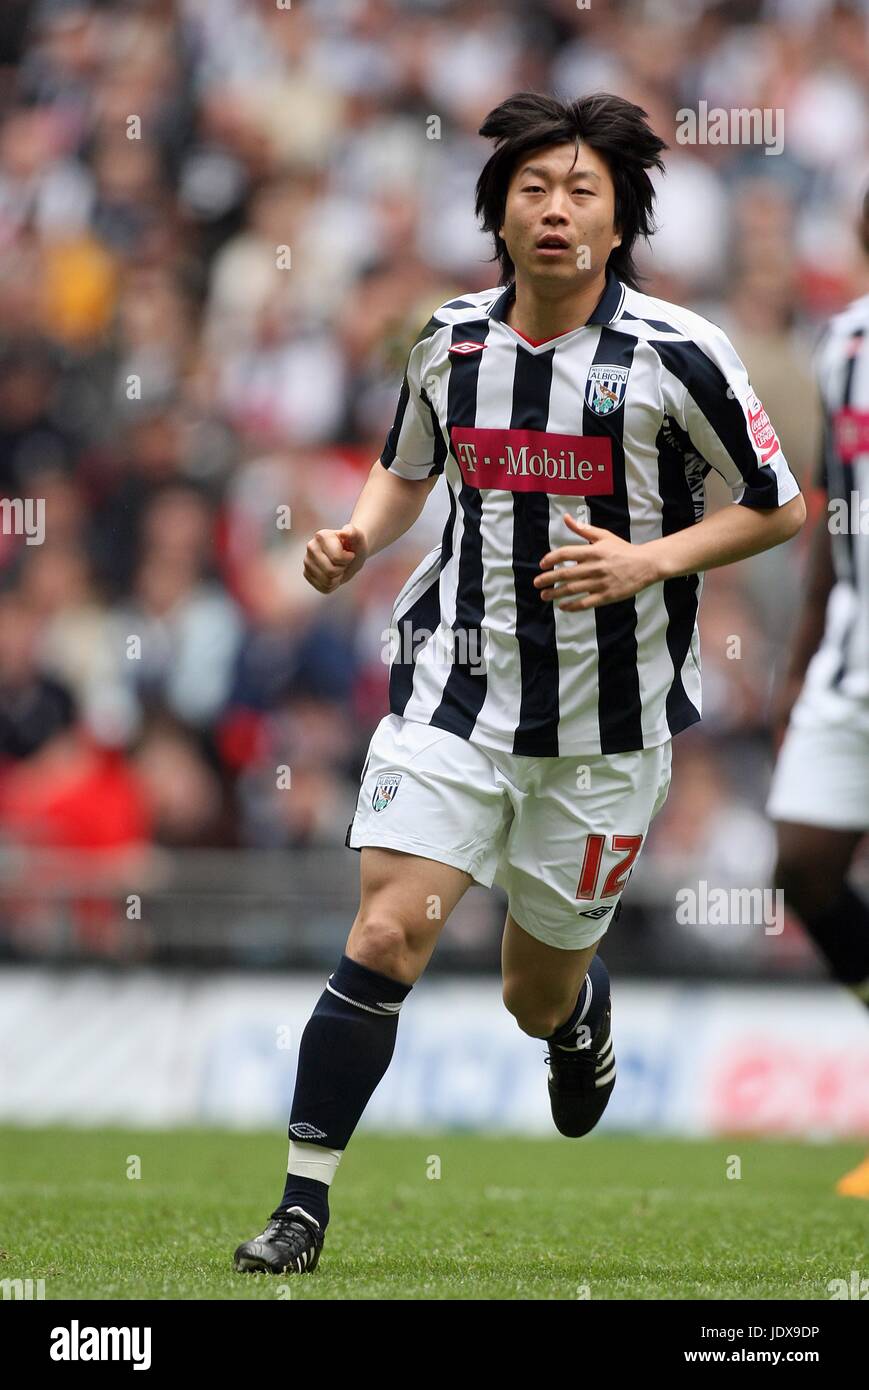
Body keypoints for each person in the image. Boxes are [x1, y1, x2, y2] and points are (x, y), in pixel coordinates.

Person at [234, 90, 806, 1276]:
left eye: (580, 192)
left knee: (530, 995)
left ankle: (576, 1016)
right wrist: (354, 536)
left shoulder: (678, 353)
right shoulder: (449, 340)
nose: (553, 210)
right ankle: (300, 1205)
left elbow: (779, 504)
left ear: (617, 221)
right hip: (454, 690)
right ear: (496, 210)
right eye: (532, 190)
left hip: (606, 731)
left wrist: (646, 557)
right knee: (387, 931)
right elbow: (405, 471)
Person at [768, 187, 869, 1200]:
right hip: (850, 657)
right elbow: (826, 507)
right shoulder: (840, 348)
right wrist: (797, 660)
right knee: (799, 865)